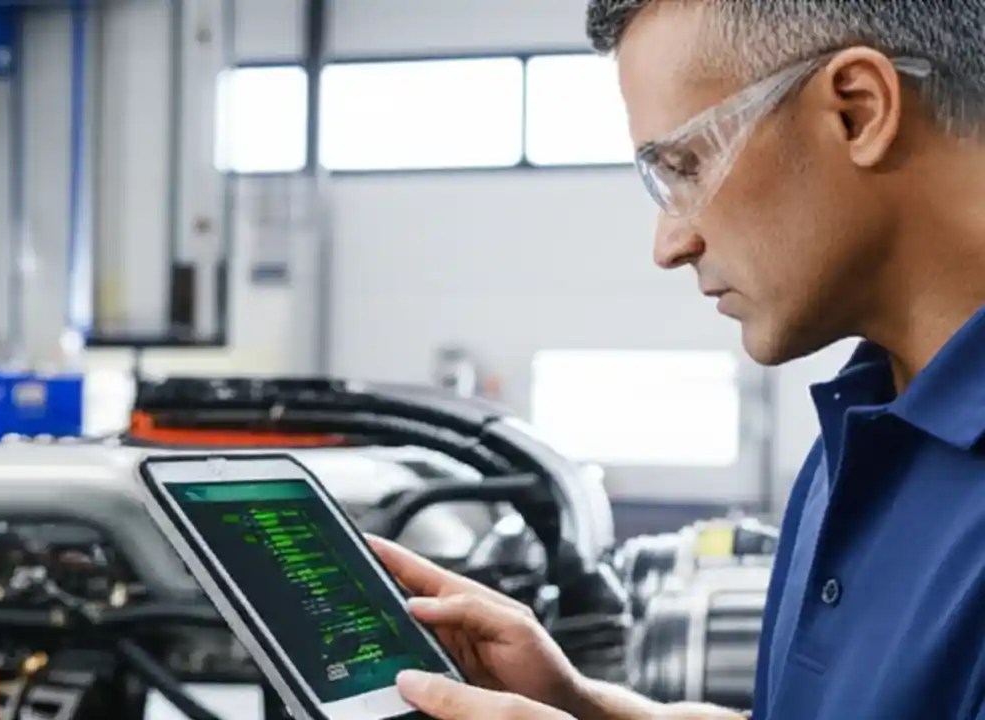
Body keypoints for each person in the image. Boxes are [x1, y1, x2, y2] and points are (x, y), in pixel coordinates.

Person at [374, 1, 985, 719]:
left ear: (857, 111)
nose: (670, 244)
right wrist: (583, 706)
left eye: (686, 166)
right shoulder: (860, 436)